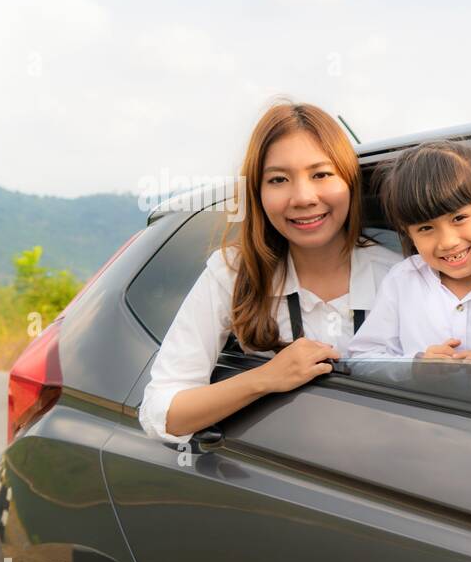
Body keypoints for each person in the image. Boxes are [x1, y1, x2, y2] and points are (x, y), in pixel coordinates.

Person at [139, 100, 401, 444]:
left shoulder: (400, 277)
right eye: (279, 179)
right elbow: (162, 412)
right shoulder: (233, 275)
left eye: (321, 174)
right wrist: (266, 378)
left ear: (350, 180)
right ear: (258, 193)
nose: (303, 197)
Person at [346, 139, 471, 362]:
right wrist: (416, 364)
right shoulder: (403, 279)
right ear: (408, 233)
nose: (447, 242)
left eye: (459, 218)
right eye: (426, 228)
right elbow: (361, 358)